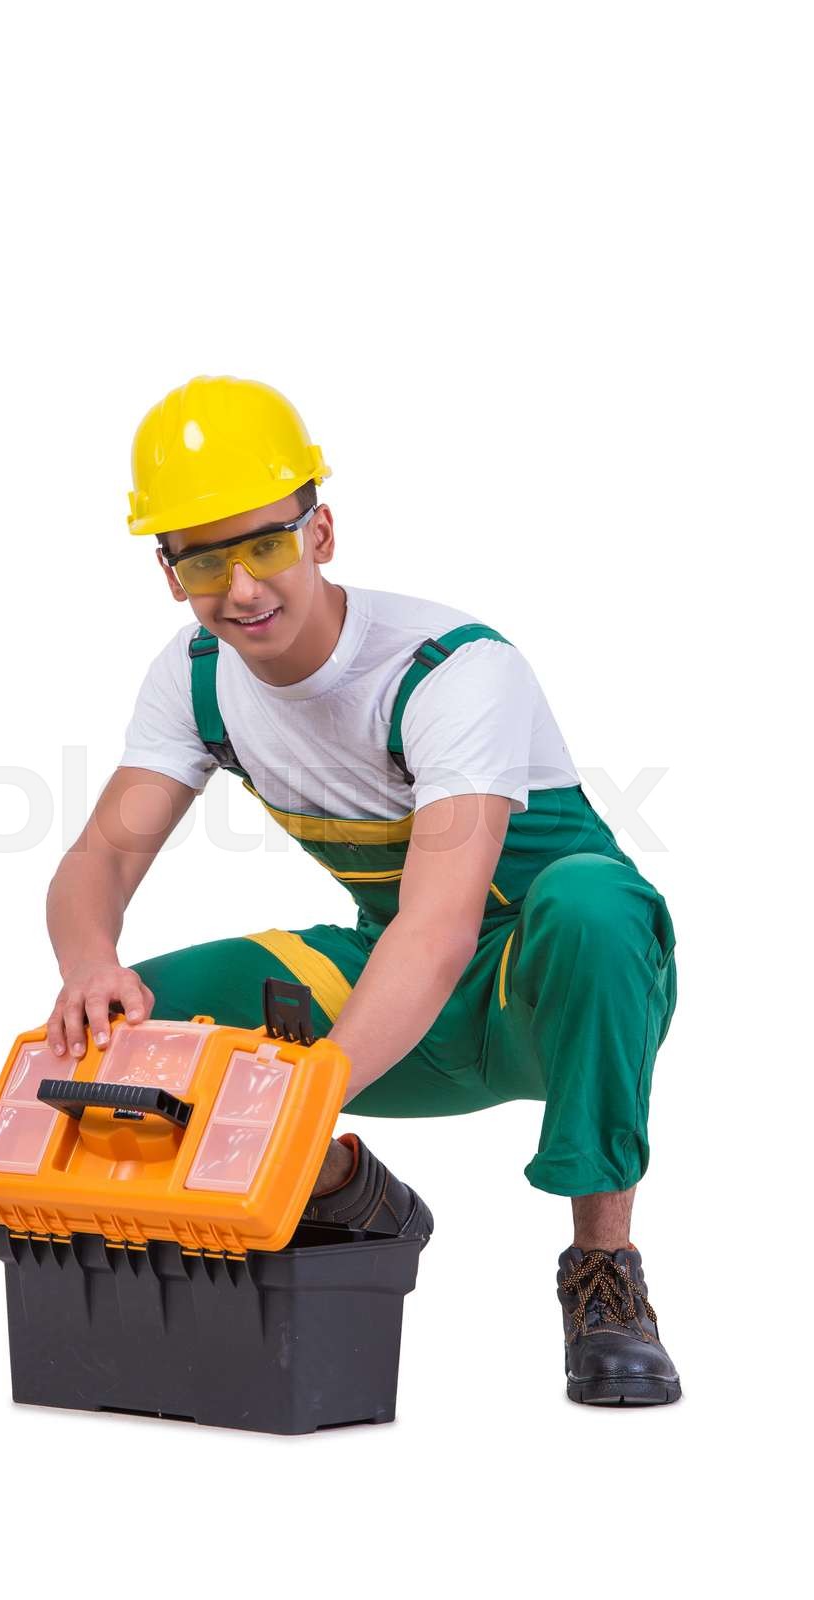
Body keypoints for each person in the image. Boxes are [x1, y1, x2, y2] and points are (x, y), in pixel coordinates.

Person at [45, 374, 682, 1406]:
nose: (241, 586)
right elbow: (96, 863)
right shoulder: (197, 677)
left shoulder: (447, 670)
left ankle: (603, 1276)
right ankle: (351, 1194)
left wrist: (302, 1094)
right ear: (170, 573)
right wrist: (88, 966)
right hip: (393, 993)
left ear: (321, 530)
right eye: (204, 557)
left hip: (550, 993)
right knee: (135, 1032)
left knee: (593, 903)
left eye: (264, 543)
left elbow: (442, 930)